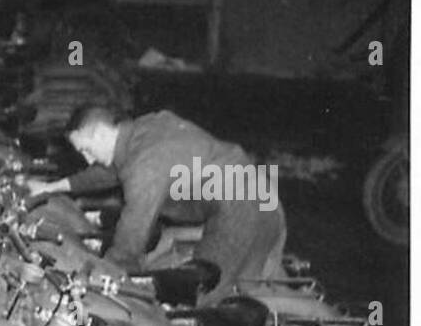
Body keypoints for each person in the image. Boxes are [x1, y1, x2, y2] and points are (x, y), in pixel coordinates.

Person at [28, 106, 287, 302]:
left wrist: (100, 275)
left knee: (197, 297)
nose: (86, 159)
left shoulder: (146, 163)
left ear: (101, 133)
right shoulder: (140, 132)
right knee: (247, 287)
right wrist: (52, 187)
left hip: (243, 205)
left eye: (86, 149)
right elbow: (108, 172)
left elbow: (133, 232)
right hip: (256, 192)